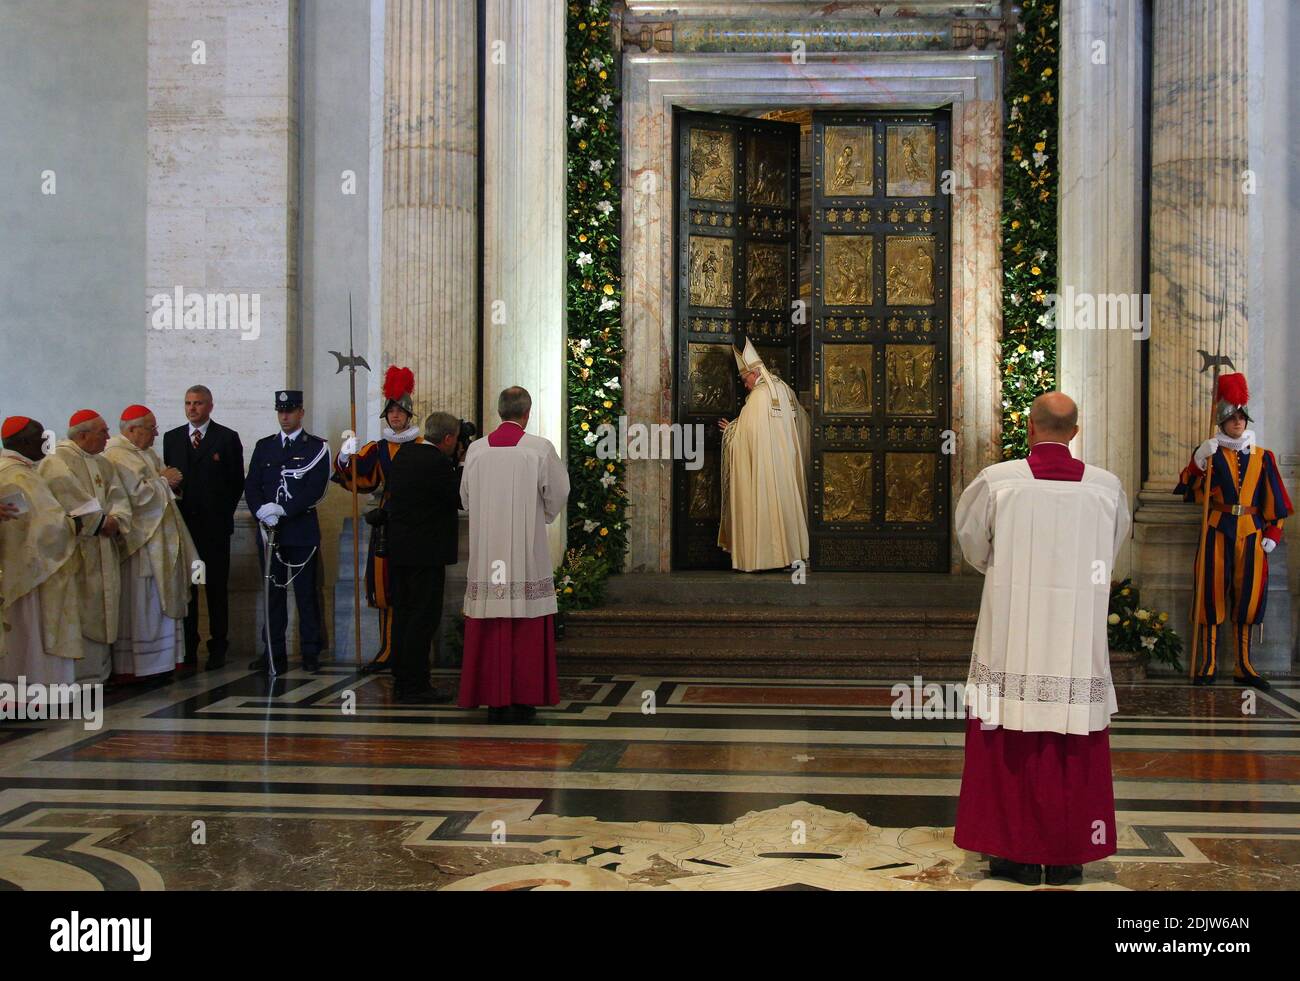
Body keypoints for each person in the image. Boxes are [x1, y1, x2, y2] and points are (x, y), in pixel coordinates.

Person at [953, 392, 1130, 887]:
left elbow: (972, 544)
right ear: (1075, 432)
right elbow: (1110, 551)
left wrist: (1007, 570)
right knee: (1074, 741)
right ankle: (1068, 854)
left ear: (1029, 429)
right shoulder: (1106, 488)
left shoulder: (998, 483)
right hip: (1077, 637)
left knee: (1008, 737)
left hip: (1012, 632)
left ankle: (1015, 856)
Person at [458, 387, 569, 722]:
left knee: (491, 621)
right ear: (527, 412)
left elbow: (465, 498)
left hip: (487, 555)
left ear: (499, 411)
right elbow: (559, 491)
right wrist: (543, 517)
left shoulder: (476, 451)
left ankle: (493, 700)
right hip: (525, 552)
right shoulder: (538, 449)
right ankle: (523, 699)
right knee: (525, 622)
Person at [1174, 372, 1291, 690]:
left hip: (1252, 533)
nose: (1238, 422)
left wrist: (1273, 535)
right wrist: (1199, 461)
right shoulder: (1210, 453)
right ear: (1222, 421)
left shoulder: (1262, 457)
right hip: (1216, 530)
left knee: (1249, 598)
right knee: (1210, 596)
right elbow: (1187, 488)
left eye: (1242, 417)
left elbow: (1277, 502)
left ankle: (1244, 665)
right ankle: (1208, 662)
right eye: (1232, 417)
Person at [332, 365, 424, 674]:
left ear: (409, 415)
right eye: (391, 411)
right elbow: (361, 478)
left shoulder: (422, 447)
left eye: (400, 411)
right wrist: (346, 458)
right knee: (386, 590)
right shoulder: (379, 448)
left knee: (414, 590)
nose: (395, 416)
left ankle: (412, 652)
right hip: (386, 524)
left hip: (416, 525)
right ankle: (387, 649)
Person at [104, 406, 200, 682]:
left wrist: (167, 483)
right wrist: (163, 481)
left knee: (159, 601)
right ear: (132, 429)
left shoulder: (144, 453)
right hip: (140, 545)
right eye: (151, 427)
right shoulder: (117, 455)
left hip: (159, 540)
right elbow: (134, 498)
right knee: (142, 602)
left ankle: (162, 662)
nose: (156, 432)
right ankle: (138, 666)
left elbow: (160, 485)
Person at [38, 410, 133, 683]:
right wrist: (101, 521)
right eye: (102, 431)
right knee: (83, 608)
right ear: (82, 435)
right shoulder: (57, 462)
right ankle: (78, 677)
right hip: (79, 548)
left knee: (104, 605)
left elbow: (118, 496)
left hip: (103, 547)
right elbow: (68, 499)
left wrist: (116, 519)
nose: (108, 436)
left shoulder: (102, 463)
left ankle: (100, 674)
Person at [0, 416, 90, 691]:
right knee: (31, 635)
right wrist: (73, 523)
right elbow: (47, 527)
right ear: (25, 442)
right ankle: (36, 692)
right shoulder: (20, 475)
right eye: (41, 438)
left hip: (19, 569)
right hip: (32, 574)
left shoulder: (13, 470)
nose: (45, 443)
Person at [244, 390, 331, 674]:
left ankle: (310, 651)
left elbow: (315, 489)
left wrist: (284, 510)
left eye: (290, 411)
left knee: (306, 593)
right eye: (281, 411)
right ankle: (273, 650)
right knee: (273, 593)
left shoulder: (316, 447)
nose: (284, 416)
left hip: (301, 530)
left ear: (301, 413)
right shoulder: (264, 446)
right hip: (270, 533)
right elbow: (252, 484)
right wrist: (261, 510)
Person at [381, 411, 463, 703]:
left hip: (400, 550)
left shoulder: (404, 455)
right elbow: (459, 498)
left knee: (403, 615)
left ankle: (402, 678)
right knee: (423, 618)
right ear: (449, 438)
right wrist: (460, 466)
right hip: (426, 554)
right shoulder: (438, 462)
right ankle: (416, 684)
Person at [163, 385, 245, 671]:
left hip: (215, 529)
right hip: (184, 529)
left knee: (216, 589)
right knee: (187, 589)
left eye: (198, 403)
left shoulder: (226, 438)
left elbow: (236, 482)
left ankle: (218, 645)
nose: (192, 408)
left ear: (210, 406)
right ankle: (187, 647)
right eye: (188, 403)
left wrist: (221, 513)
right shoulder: (172, 439)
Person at [717, 336, 809, 572]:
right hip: (786, 466)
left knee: (765, 504)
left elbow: (744, 437)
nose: (744, 385)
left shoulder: (758, 396)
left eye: (743, 379)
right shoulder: (784, 390)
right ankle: (792, 556)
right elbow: (803, 423)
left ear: (754, 373)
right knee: (787, 506)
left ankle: (765, 558)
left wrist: (729, 430)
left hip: (765, 469)